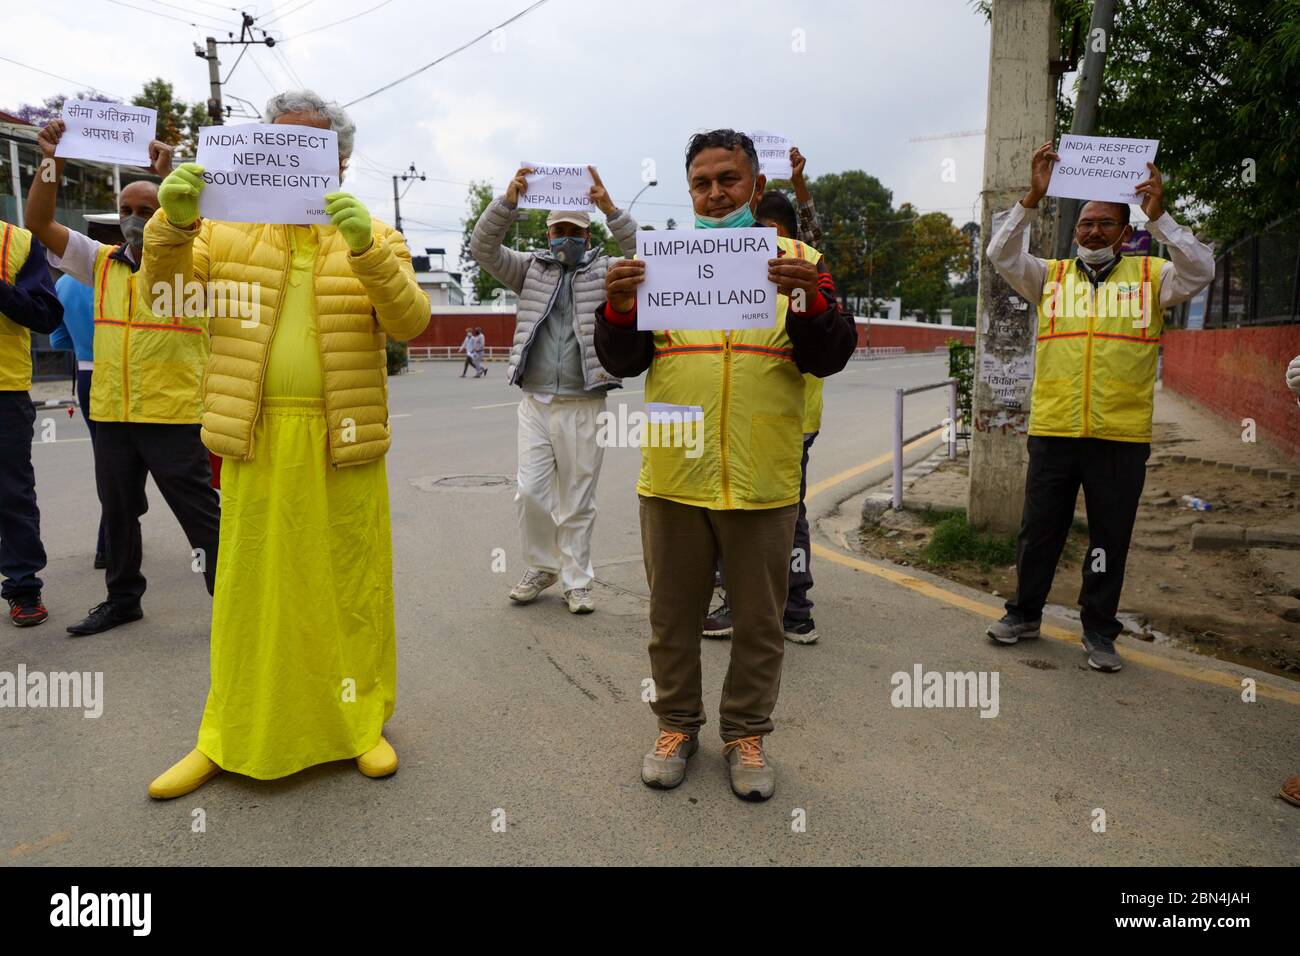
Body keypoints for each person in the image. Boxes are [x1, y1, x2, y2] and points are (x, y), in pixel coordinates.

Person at [141, 90, 430, 799]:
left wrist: (367, 250)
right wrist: (171, 230)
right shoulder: (223, 231)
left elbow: (411, 322)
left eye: (312, 146)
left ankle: (360, 725)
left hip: (344, 437)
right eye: (279, 143)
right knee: (249, 595)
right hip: (256, 436)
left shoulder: (373, 234)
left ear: (340, 159)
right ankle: (228, 732)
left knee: (348, 589)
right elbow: (166, 302)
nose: (293, 159)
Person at [595, 130, 856, 800]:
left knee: (761, 622)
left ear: (755, 187)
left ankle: (746, 733)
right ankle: (676, 725)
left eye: (729, 181)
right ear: (690, 192)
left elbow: (829, 355)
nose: (716, 195)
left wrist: (810, 301)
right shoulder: (660, 262)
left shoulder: (801, 259)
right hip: (675, 474)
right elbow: (622, 362)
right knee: (672, 617)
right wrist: (618, 310)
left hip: (765, 474)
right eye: (703, 184)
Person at [984, 141, 1214, 672]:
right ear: (1074, 230)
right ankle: (1023, 612)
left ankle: (1099, 631)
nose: (1093, 232)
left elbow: (1202, 270)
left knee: (1109, 537)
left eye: (1106, 224)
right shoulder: (1049, 277)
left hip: (1120, 435)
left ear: (1125, 231)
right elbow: (1000, 253)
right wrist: (1032, 198)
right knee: (1040, 530)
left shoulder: (1153, 278)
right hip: (1056, 429)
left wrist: (1163, 220)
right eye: (1086, 223)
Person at [26, 123, 221, 637]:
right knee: (117, 514)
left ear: (168, 214)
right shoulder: (101, 263)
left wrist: (173, 178)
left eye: (147, 210)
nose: (134, 219)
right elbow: (38, 221)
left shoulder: (196, 264)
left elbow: (202, 229)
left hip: (173, 413)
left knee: (200, 517)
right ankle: (122, 599)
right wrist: (51, 161)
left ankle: (230, 600)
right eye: (127, 210)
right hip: (113, 411)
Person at [470, 165, 638, 614]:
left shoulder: (606, 271)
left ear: (587, 234)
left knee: (578, 498)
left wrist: (610, 210)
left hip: (585, 402)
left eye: (575, 231)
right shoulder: (528, 270)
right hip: (535, 402)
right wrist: (506, 203)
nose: (567, 237)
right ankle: (542, 566)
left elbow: (649, 258)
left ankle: (577, 580)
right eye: (560, 230)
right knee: (530, 492)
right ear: (547, 235)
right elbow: (481, 247)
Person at [706, 173, 826, 645]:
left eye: (776, 237)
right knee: (733, 511)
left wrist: (799, 187)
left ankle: (792, 610)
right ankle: (752, 602)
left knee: (782, 516)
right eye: (759, 237)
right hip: (736, 417)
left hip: (790, 422)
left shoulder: (807, 271)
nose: (766, 248)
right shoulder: (731, 271)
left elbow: (814, 235)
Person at [0, 220, 63, 627]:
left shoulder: (17, 242)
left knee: (12, 495)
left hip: (4, 390)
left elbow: (45, 316)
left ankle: (23, 588)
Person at [49, 214, 117, 568]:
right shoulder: (121, 273)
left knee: (108, 460)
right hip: (126, 373)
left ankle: (109, 543)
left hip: (87, 375)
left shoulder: (64, 283)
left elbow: (58, 339)